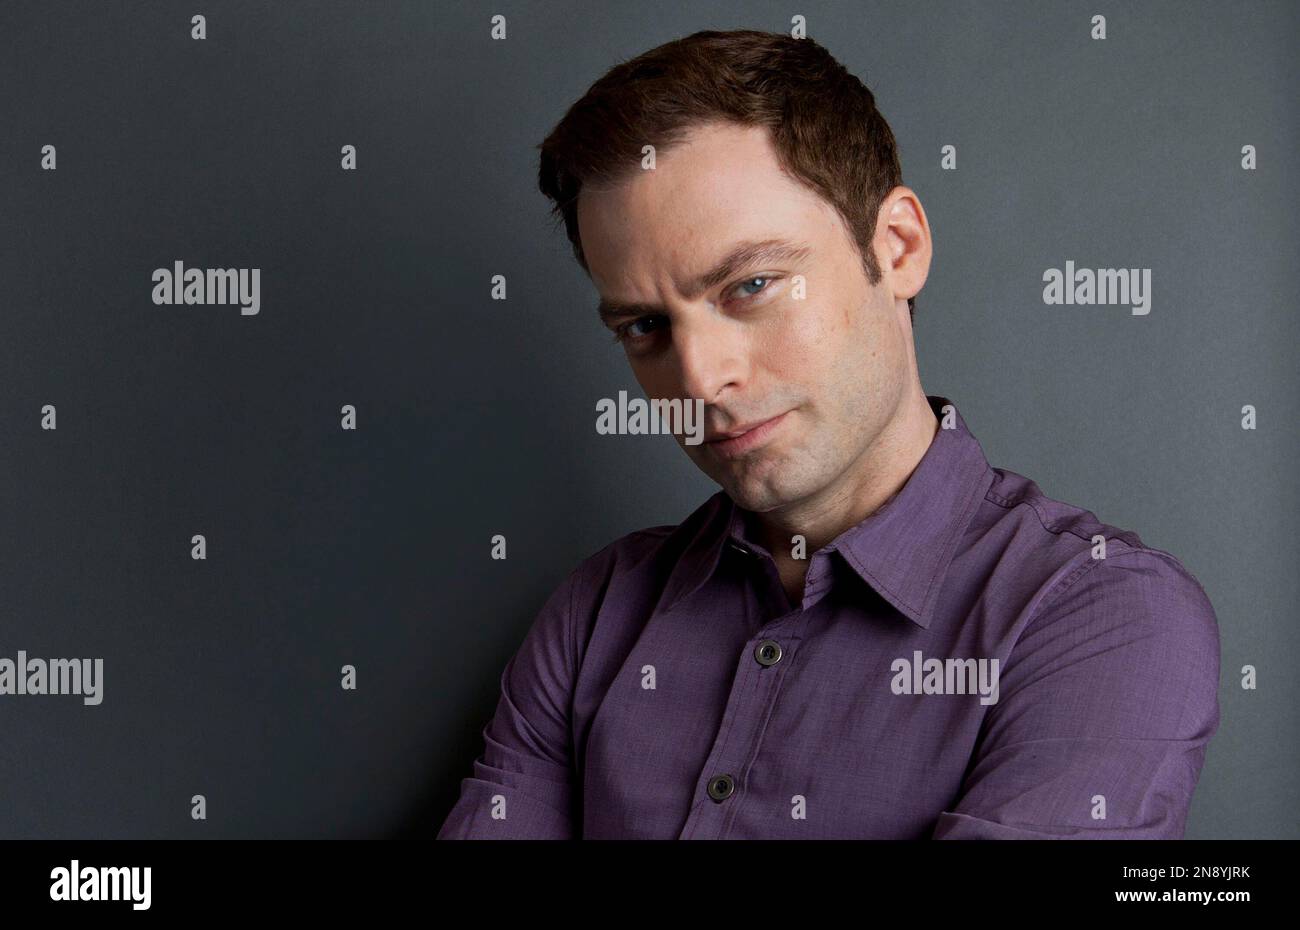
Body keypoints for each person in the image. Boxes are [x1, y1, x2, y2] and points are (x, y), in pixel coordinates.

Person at [437, 29, 1219, 839]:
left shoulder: (1100, 616)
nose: (701, 380)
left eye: (751, 285)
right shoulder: (599, 611)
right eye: (644, 325)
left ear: (899, 247)